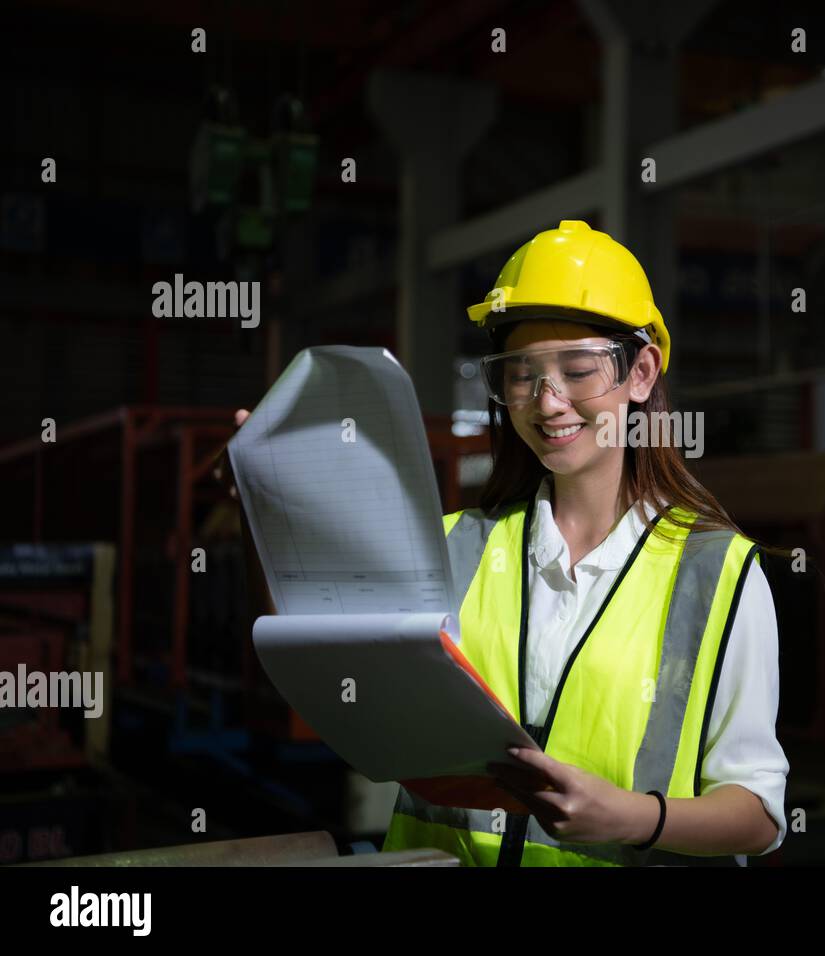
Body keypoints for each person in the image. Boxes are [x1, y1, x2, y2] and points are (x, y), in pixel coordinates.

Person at [234, 220, 788, 867]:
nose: (547, 402)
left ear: (640, 373)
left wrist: (630, 815)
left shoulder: (716, 574)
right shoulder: (448, 547)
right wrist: (271, 495)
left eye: (578, 371)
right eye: (520, 375)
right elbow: (312, 641)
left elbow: (758, 815)